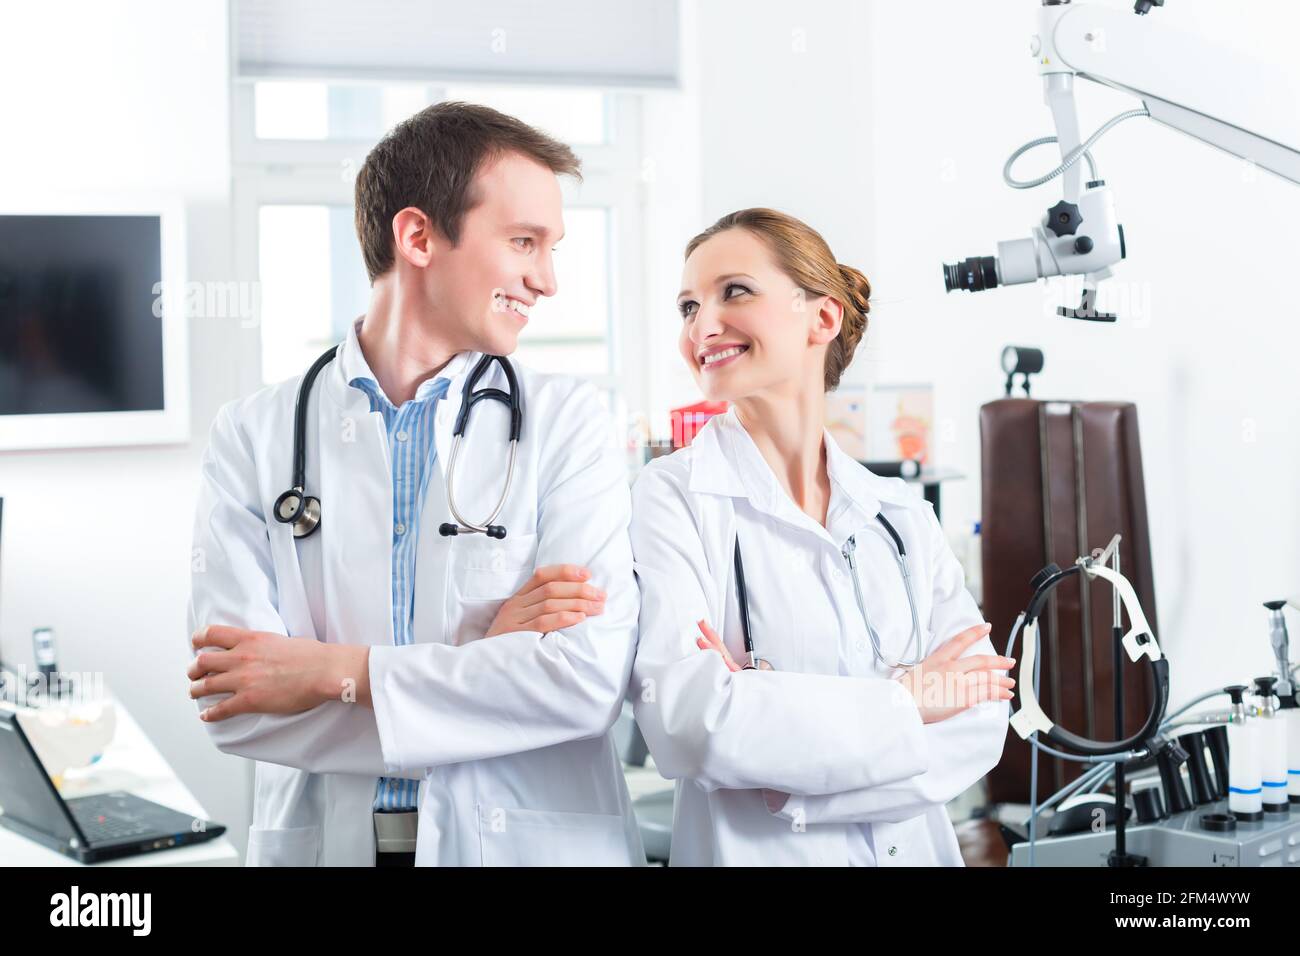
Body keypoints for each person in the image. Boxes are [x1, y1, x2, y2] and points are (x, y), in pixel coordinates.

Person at [185, 102, 643, 867]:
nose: (549, 279)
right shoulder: (253, 436)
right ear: (418, 236)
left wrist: (331, 672)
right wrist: (484, 658)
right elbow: (235, 707)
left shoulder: (570, 423)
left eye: (552, 248)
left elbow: (581, 681)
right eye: (524, 242)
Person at [629, 208, 1013, 866]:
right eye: (688, 306)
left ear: (823, 317)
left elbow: (979, 723)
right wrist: (909, 698)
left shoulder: (899, 514)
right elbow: (689, 724)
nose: (702, 325)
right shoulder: (672, 496)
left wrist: (784, 765)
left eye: (735, 291)